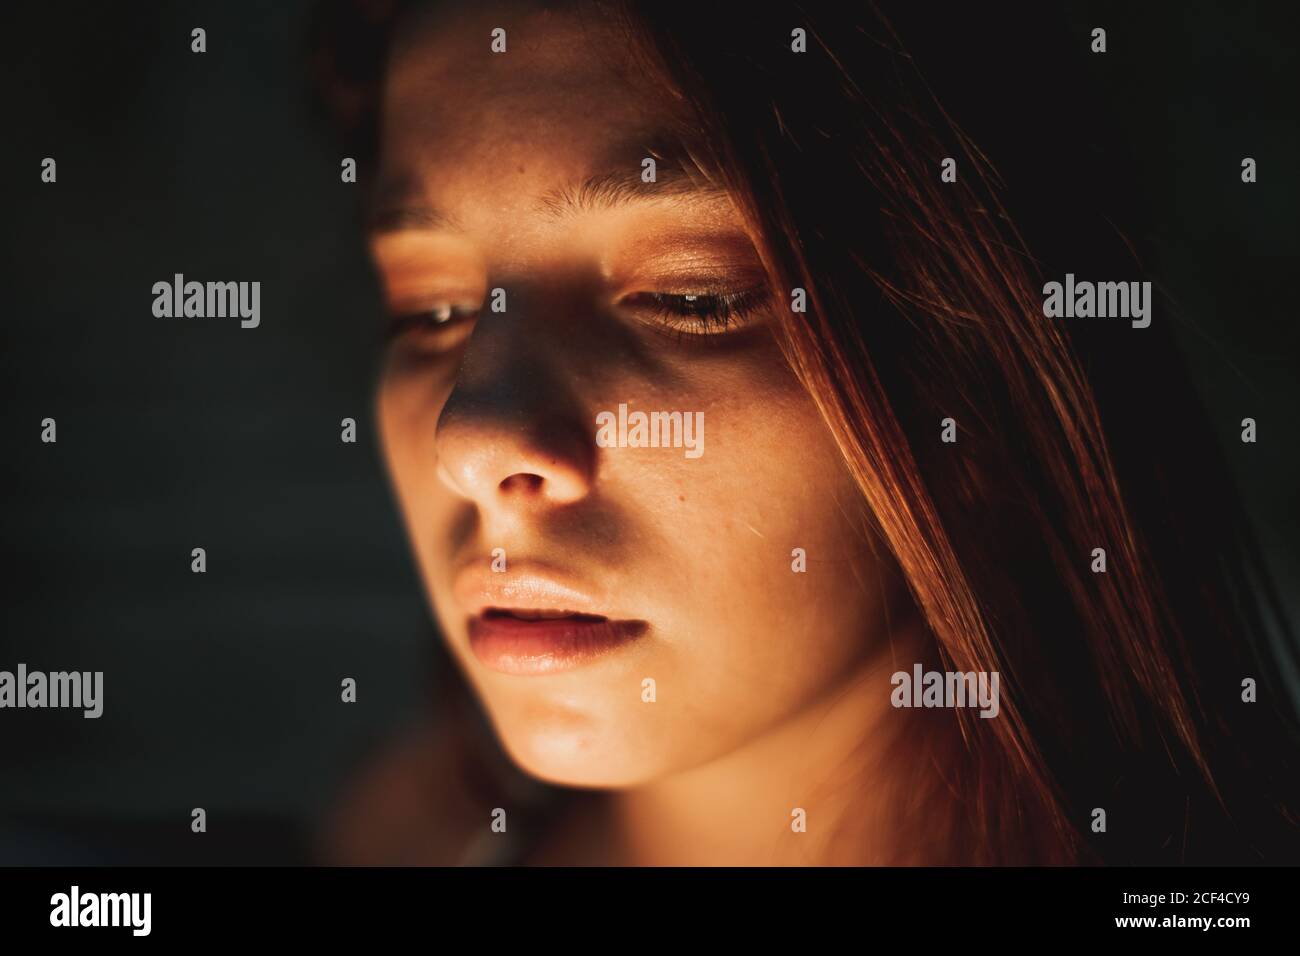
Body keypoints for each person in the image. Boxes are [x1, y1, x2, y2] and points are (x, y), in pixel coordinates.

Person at [311, 0, 1300, 865]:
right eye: (431, 308)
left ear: (974, 370)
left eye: (690, 296)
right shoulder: (400, 837)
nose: (471, 440)